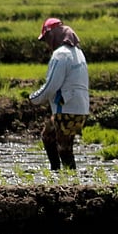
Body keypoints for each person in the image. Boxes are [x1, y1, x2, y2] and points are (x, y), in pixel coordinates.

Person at [29, 18, 90, 171]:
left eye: (47, 39)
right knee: (48, 136)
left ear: (54, 35)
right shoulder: (78, 52)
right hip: (79, 108)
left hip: (66, 109)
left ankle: (70, 181)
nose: (47, 43)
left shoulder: (61, 55)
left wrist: (34, 98)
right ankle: (55, 171)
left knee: (65, 148)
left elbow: (51, 86)